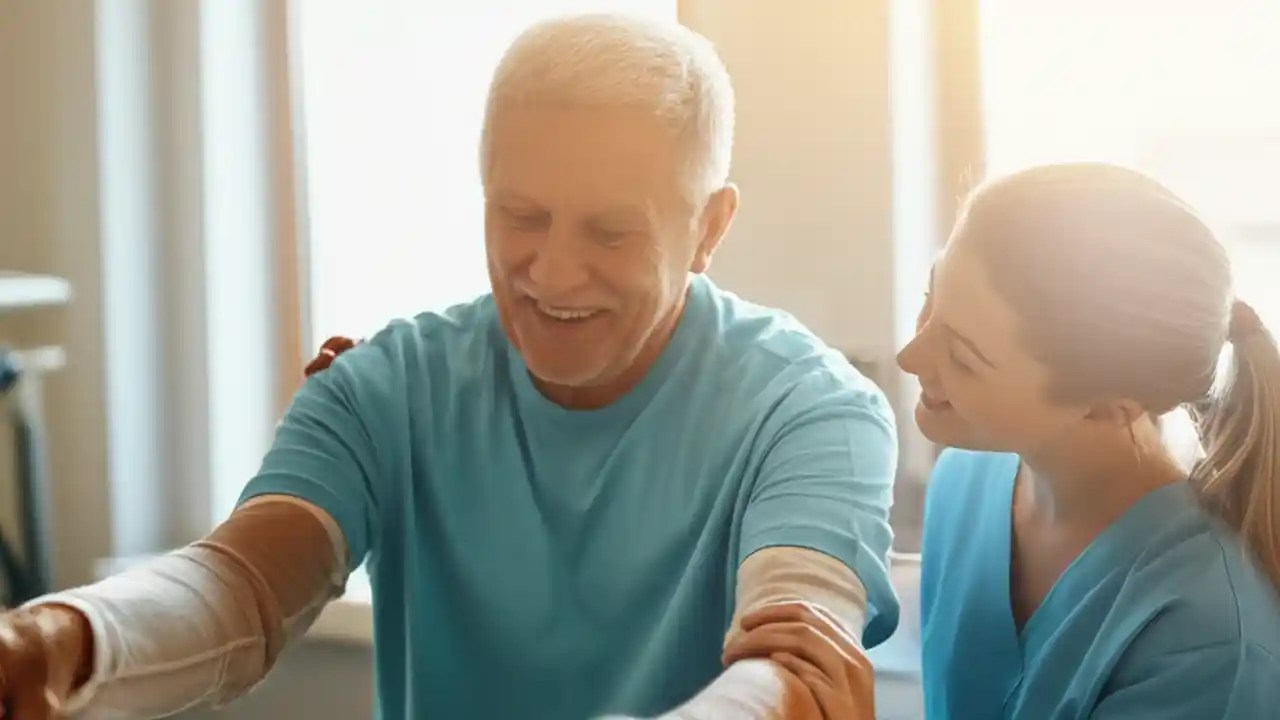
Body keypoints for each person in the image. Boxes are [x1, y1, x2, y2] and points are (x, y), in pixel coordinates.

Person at [0, 14, 896, 720]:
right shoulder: (385, 386)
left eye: (610, 231)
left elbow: (799, 660)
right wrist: (66, 635)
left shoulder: (813, 414)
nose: (552, 271)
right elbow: (239, 589)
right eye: (521, 215)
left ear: (709, 227)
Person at [763, 162, 1280, 717]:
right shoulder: (963, 482)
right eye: (930, 300)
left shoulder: (1207, 642)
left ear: (1111, 405)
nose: (910, 357)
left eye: (963, 357)